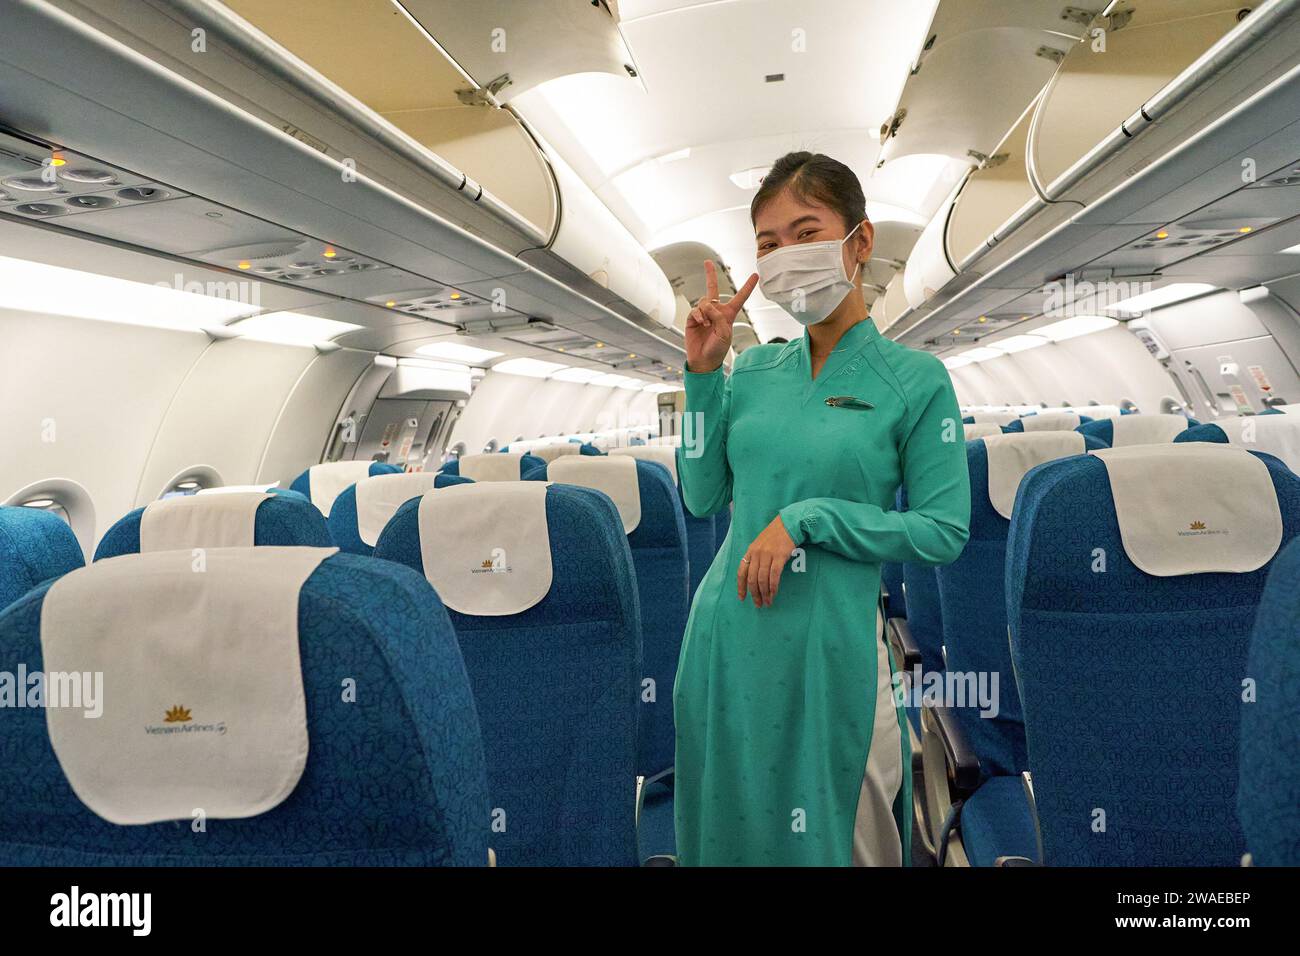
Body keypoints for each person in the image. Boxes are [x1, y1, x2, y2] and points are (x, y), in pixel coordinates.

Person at [672, 151, 971, 866]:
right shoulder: (752, 370)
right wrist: (702, 377)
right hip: (726, 639)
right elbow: (700, 493)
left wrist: (811, 518)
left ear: (859, 242)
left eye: (805, 233)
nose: (785, 258)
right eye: (768, 245)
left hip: (832, 645)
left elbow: (944, 531)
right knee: (731, 834)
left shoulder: (915, 381)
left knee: (844, 838)